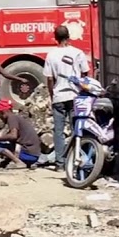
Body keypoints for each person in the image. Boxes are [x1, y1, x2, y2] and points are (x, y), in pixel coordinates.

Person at [44, 25, 89, 166]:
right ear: (68, 37)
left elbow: (50, 79)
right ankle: (77, 159)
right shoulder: (78, 53)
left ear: (55, 38)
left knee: (58, 131)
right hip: (75, 96)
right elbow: (85, 74)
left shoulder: (51, 55)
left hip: (58, 97)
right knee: (77, 129)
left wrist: (52, 95)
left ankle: (60, 163)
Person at [0, 99, 42, 169]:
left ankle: (18, 162)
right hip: (34, 155)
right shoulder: (15, 118)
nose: (0, 116)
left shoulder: (11, 118)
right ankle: (10, 162)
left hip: (28, 154)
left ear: (2, 112)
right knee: (9, 144)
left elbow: (13, 136)